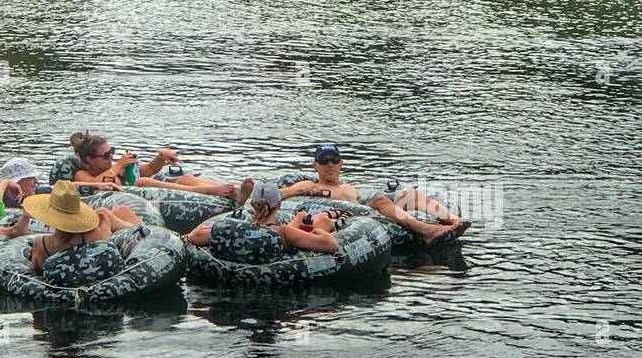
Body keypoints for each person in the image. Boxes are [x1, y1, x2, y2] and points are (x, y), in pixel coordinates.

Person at [280, 142, 469, 245]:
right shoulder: (309, 184)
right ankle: (427, 230)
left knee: (410, 194)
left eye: (334, 159)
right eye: (324, 160)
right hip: (345, 219)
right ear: (315, 166)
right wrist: (305, 190)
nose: (330, 164)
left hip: (364, 210)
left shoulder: (348, 188)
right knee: (380, 199)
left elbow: (362, 202)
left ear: (341, 163)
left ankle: (453, 220)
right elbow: (279, 194)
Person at [68, 131, 253, 205]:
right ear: (90, 159)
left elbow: (148, 169)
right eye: (106, 155)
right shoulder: (82, 174)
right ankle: (212, 191)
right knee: (142, 182)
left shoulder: (119, 168)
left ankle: (235, 192)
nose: (111, 157)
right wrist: (118, 165)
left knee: (186, 179)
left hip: (144, 195)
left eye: (112, 152)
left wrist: (161, 157)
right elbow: (93, 184)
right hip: (120, 205)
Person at [183, 179, 340, 254]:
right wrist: (318, 228)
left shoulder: (230, 229)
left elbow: (195, 236)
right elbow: (331, 244)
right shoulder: (285, 233)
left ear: (252, 204)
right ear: (278, 205)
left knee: (300, 218)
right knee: (320, 222)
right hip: (273, 283)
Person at [25, 180, 142, 272]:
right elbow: (109, 249)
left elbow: (34, 270)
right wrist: (105, 224)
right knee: (111, 212)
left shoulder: (40, 244)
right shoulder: (92, 234)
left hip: (63, 287)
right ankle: (148, 228)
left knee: (114, 211)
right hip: (96, 275)